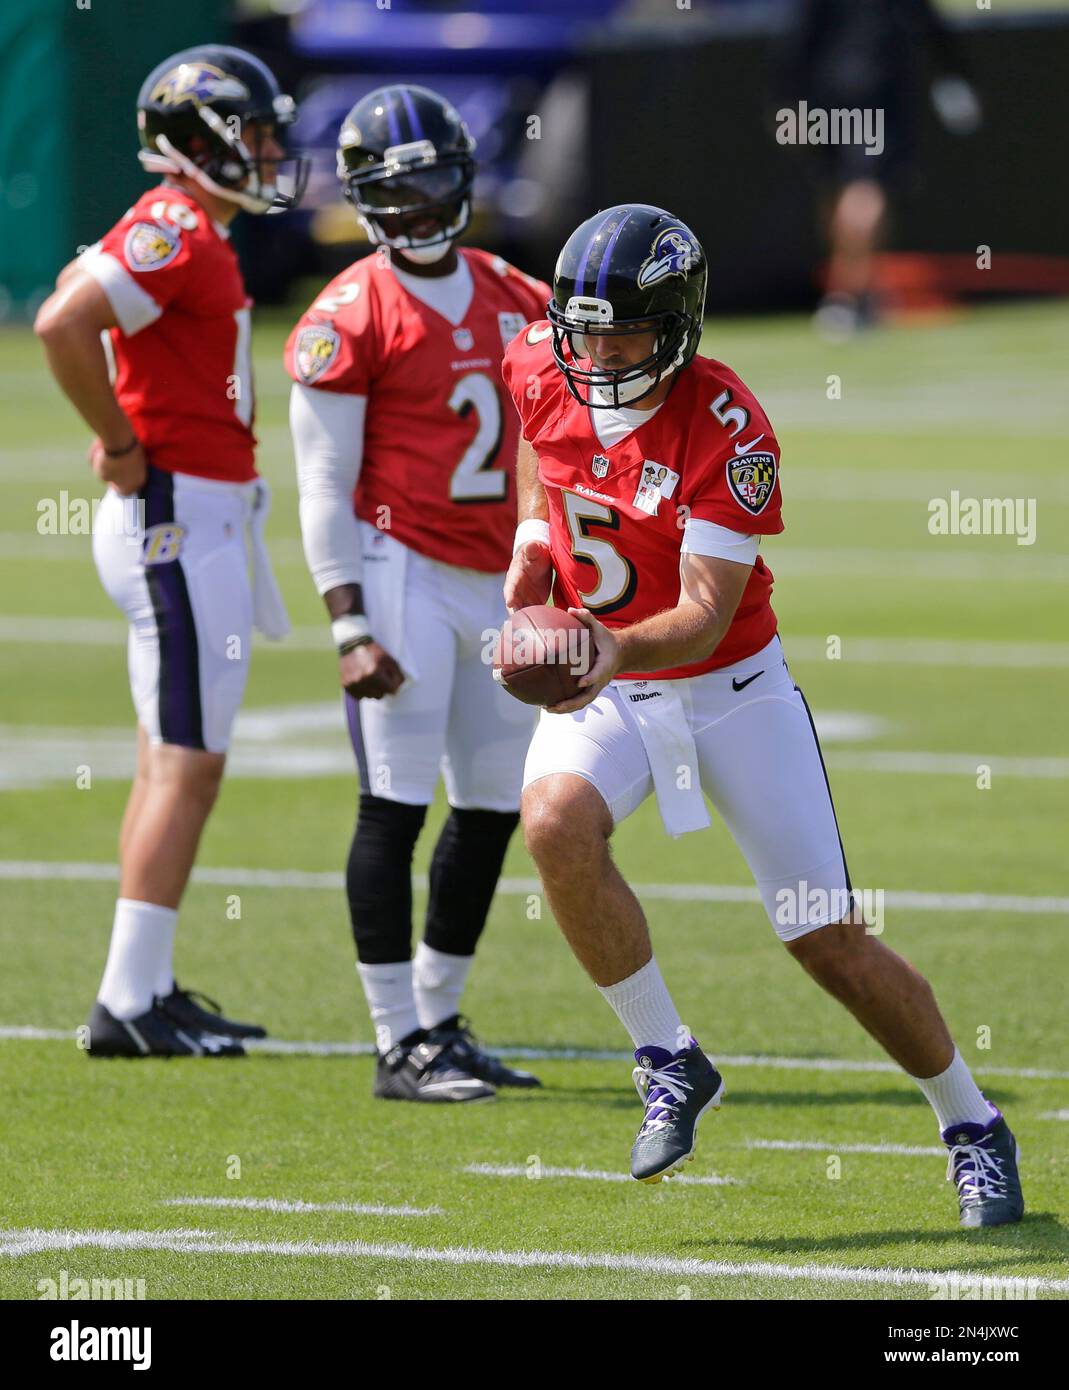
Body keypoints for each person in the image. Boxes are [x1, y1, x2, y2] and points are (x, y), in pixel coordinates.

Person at [500, 203, 1022, 1227]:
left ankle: (971, 1124)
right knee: (554, 821)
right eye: (585, 333)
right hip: (609, 684)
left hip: (727, 689)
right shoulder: (537, 362)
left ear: (680, 328)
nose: (598, 357)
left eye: (624, 337)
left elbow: (701, 615)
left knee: (823, 940)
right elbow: (538, 448)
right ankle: (668, 1057)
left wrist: (603, 646)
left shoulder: (726, 425)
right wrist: (528, 549)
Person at [34, 45, 308, 1057]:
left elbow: (76, 286)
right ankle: (127, 1004)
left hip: (192, 513)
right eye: (257, 132)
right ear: (201, 142)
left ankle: (139, 984)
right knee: (187, 764)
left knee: (172, 760)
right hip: (175, 517)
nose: (273, 150)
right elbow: (61, 318)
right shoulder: (178, 226)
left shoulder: (187, 228)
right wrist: (116, 436)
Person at [286, 85, 549, 1102]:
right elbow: (322, 482)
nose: (417, 206)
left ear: (464, 175)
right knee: (393, 805)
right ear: (358, 198)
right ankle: (396, 1040)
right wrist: (347, 619)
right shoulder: (345, 316)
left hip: (496, 578)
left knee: (489, 808)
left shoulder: (517, 295)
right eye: (393, 191)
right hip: (402, 571)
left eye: (432, 179)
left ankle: (440, 1018)